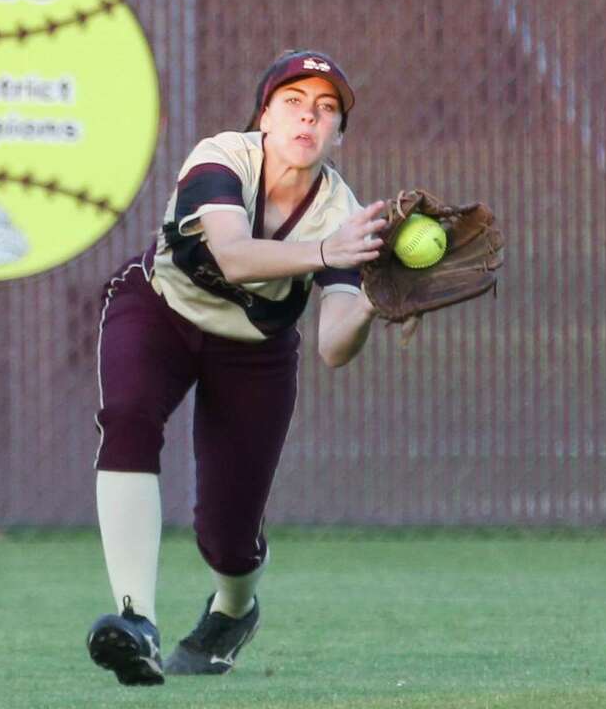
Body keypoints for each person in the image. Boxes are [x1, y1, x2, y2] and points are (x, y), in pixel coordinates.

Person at [86, 50, 388, 686]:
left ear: (339, 134)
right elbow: (231, 255)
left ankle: (234, 608)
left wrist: (372, 303)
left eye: (327, 110)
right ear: (265, 116)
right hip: (161, 310)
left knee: (227, 534)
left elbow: (334, 345)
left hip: (254, 350)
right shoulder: (222, 158)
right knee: (129, 419)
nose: (309, 119)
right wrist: (326, 252)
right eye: (294, 104)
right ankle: (135, 620)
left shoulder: (340, 212)